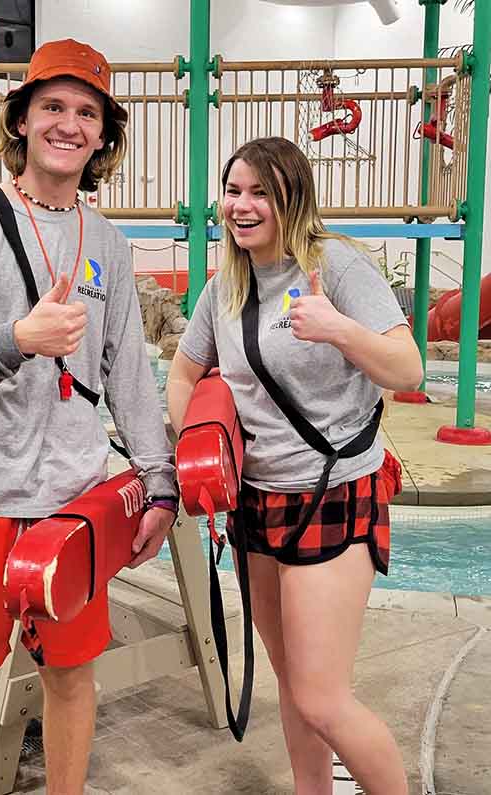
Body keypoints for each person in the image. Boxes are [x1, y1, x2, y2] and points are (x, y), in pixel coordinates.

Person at [0, 38, 178, 795]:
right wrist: (11, 342)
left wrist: (160, 482)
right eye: (53, 105)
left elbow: (131, 378)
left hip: (69, 509)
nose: (69, 124)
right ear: (21, 120)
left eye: (87, 112)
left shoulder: (109, 246)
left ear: (103, 136)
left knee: (73, 680)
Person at [167, 136, 422, 795]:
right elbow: (184, 370)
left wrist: (338, 327)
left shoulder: (334, 266)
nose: (241, 205)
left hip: (333, 494)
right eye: (233, 190)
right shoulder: (225, 284)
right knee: (296, 689)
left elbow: (408, 368)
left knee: (323, 698)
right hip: (257, 502)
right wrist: (196, 453)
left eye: (260, 192)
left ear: (292, 197)